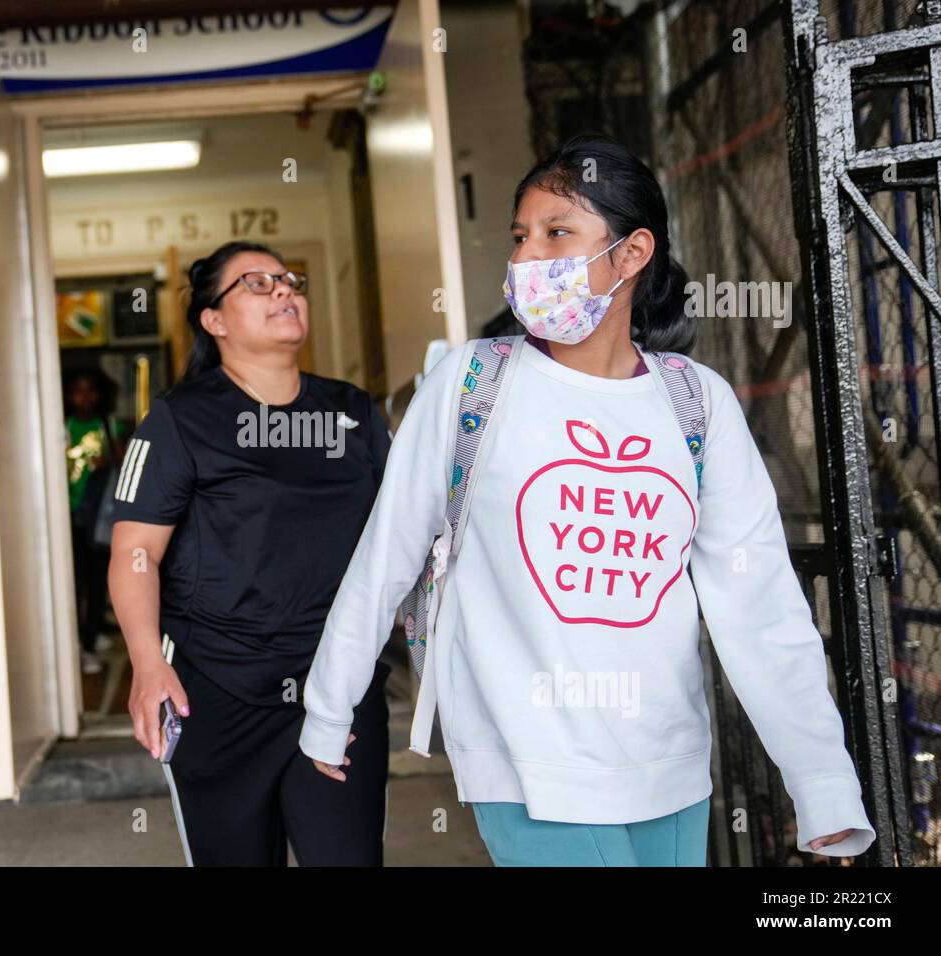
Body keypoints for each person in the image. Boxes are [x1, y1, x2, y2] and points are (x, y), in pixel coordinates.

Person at [299, 134, 878, 866]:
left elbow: (758, 602)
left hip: (667, 759)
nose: (525, 258)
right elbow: (388, 552)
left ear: (632, 254)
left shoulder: (696, 402)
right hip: (525, 758)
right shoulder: (472, 382)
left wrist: (821, 779)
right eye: (520, 237)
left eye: (557, 234)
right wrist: (329, 702)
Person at [108, 240, 392, 866]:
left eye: (290, 280)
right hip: (215, 693)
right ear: (214, 320)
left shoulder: (350, 413)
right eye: (257, 284)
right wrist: (148, 664)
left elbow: (402, 538)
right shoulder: (180, 422)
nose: (285, 291)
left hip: (337, 686)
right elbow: (135, 553)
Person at [65, 367, 125, 675]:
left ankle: (89, 644)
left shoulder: (106, 424)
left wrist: (109, 461)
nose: (84, 397)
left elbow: (121, 464)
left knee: (96, 582)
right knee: (74, 585)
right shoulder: (63, 425)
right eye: (78, 390)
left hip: (98, 519)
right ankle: (77, 641)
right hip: (67, 519)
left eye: (90, 390)